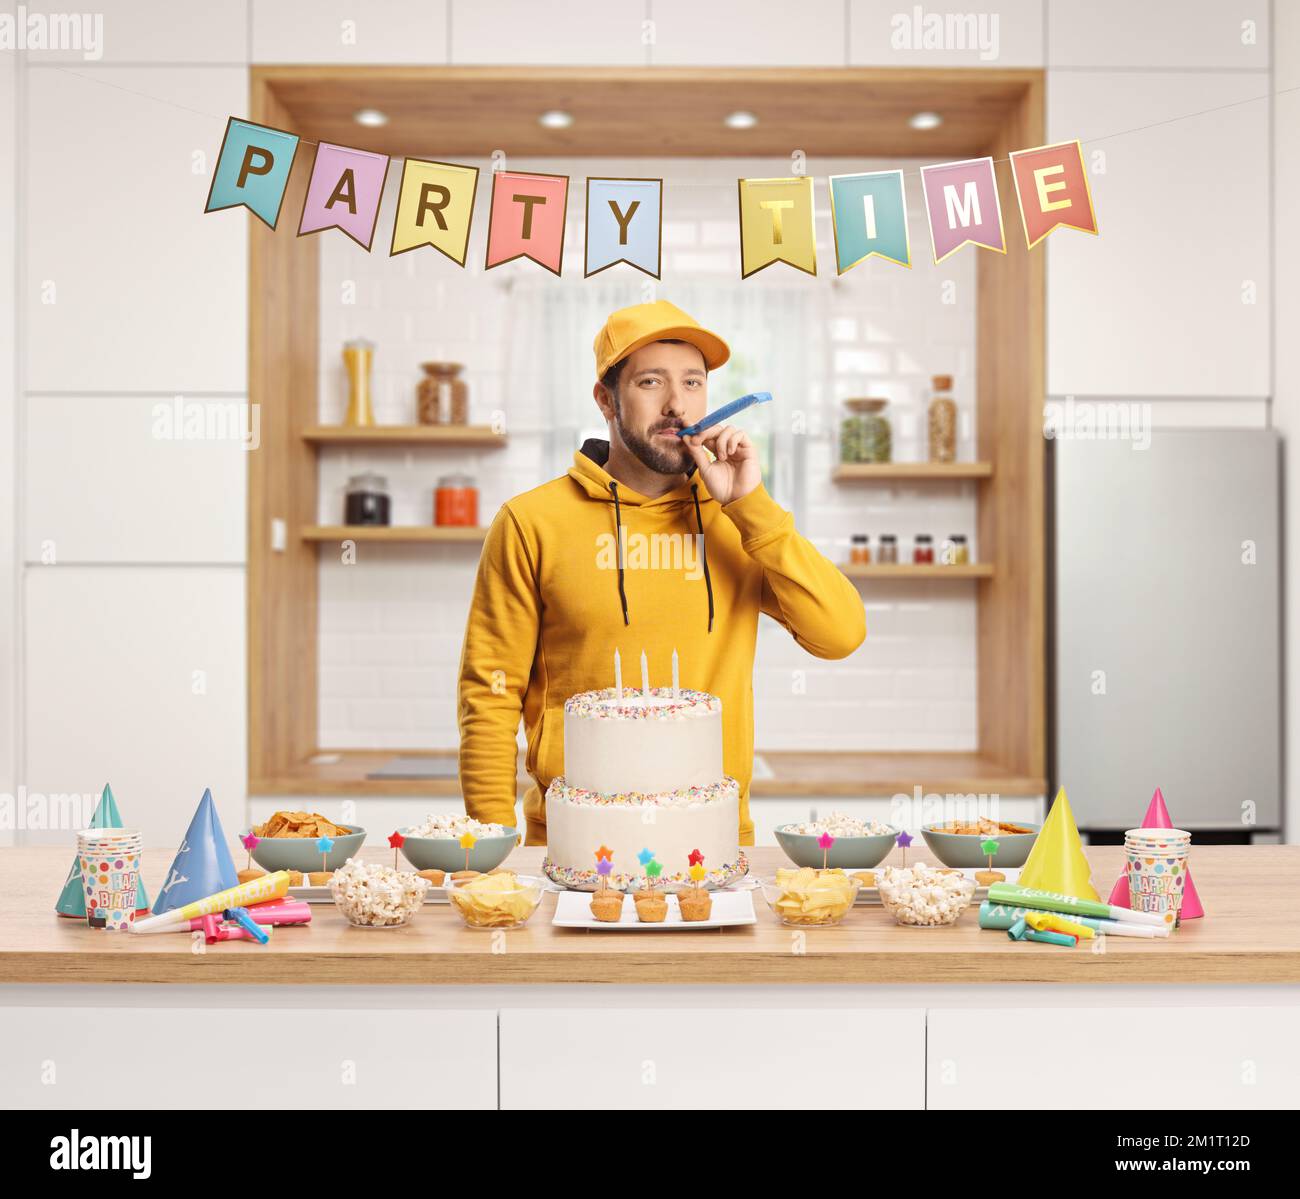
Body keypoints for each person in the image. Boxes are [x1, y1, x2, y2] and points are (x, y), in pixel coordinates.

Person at [457, 299, 866, 846]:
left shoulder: (739, 522)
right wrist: (489, 843)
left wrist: (752, 508)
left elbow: (840, 635)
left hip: (714, 842)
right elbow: (490, 691)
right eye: (651, 382)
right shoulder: (530, 522)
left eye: (693, 383)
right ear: (606, 399)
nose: (678, 404)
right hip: (569, 841)